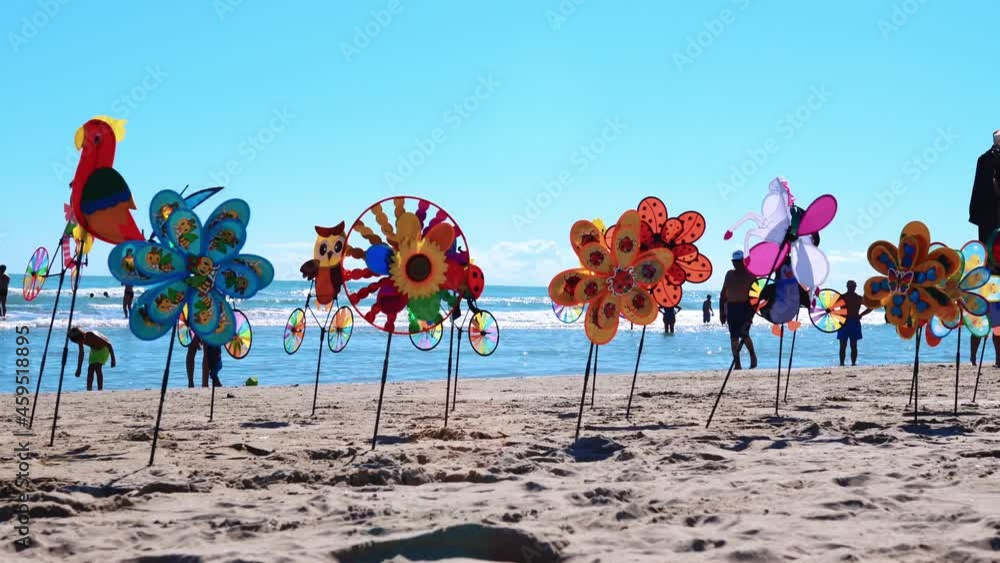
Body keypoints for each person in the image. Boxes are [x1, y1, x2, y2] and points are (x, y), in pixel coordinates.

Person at [720, 250, 758, 370]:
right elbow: (723, 294)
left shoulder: (750, 275)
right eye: (734, 261)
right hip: (732, 308)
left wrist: (752, 313)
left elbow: (757, 294)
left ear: (743, 261)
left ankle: (753, 356)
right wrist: (722, 312)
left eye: (739, 261)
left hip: (745, 307)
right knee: (733, 337)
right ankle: (737, 363)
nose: (736, 264)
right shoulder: (729, 274)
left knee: (744, 335)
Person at [68, 327, 116, 391]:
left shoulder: (93, 334)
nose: (79, 343)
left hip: (104, 349)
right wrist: (79, 368)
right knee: (90, 369)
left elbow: (109, 344)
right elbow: (81, 354)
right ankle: (89, 389)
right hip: (94, 350)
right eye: (77, 342)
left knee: (97, 367)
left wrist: (113, 359)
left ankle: (100, 389)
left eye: (79, 341)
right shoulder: (80, 340)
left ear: (83, 335)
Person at [837, 281, 873, 367]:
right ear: (847, 287)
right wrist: (838, 316)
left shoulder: (857, 298)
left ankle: (852, 363)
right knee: (844, 345)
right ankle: (842, 363)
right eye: (850, 287)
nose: (851, 288)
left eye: (852, 287)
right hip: (845, 322)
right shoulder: (843, 297)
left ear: (854, 287)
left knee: (852, 345)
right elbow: (830, 308)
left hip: (852, 322)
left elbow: (871, 306)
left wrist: (861, 314)